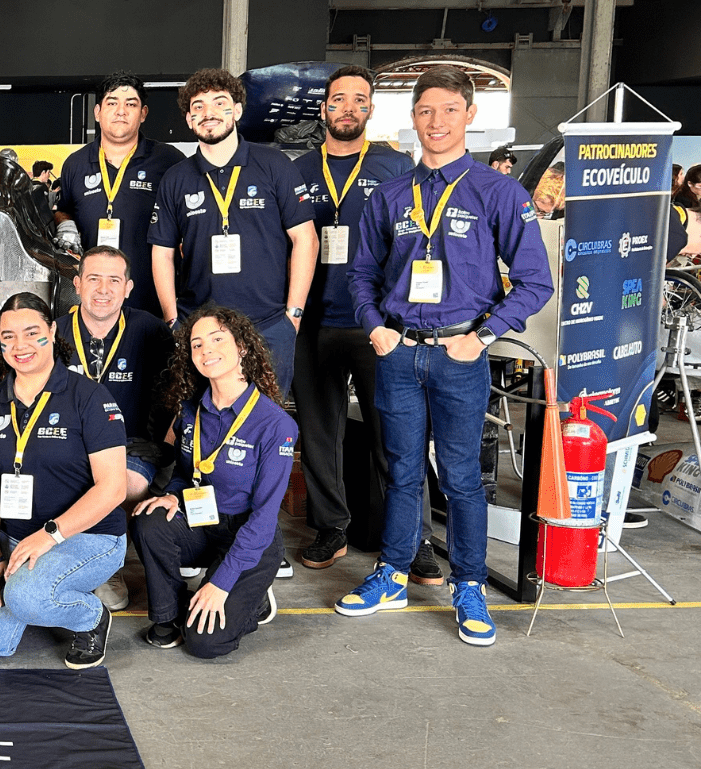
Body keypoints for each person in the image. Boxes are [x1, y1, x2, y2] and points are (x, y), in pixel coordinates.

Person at [342, 66, 552, 646]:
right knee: (401, 472)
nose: (437, 122)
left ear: (469, 116)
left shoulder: (499, 192)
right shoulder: (388, 196)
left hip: (462, 355)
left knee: (461, 478)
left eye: (449, 111)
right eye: (426, 111)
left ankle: (468, 585)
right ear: (412, 118)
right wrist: (375, 328)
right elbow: (361, 274)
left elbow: (536, 282)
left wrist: (483, 337)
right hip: (399, 354)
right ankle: (391, 572)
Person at [290, 66, 444, 582]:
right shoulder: (298, 170)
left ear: (371, 109)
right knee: (319, 435)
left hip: (379, 324)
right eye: (338, 100)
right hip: (312, 321)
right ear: (323, 110)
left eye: (359, 100)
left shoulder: (396, 166)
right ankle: (332, 525)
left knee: (396, 435)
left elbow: (419, 240)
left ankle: (415, 538)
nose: (348, 109)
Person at [0, 293, 128, 670]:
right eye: (8, 336)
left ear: (53, 332)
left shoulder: (88, 396)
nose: (19, 345)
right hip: (16, 540)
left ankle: (90, 617)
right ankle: (37, 589)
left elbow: (113, 488)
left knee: (27, 598)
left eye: (32, 332)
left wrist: (50, 535)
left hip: (88, 537)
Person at [132, 306, 295, 657]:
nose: (206, 350)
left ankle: (252, 600)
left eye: (218, 339)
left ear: (243, 348)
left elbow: (265, 518)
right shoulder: (191, 411)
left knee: (206, 643)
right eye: (197, 344)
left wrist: (221, 584)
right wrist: (174, 496)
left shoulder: (274, 424)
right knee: (150, 519)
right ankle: (168, 616)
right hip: (201, 520)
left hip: (251, 536)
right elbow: (183, 472)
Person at [149, 68, 318, 395]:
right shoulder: (176, 178)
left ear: (237, 111)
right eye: (197, 106)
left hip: (268, 326)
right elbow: (162, 252)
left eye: (219, 103)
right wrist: (173, 321)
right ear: (188, 120)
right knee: (201, 427)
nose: (208, 113)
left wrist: (293, 316)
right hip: (200, 330)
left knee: (263, 427)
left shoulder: (274, 165)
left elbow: (305, 239)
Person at [54, 245, 174, 608]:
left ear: (128, 287)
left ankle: (106, 565)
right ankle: (68, 560)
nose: (103, 289)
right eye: (93, 279)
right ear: (77, 284)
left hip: (130, 445)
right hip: (68, 444)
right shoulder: (54, 331)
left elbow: (179, 390)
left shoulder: (151, 330)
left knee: (124, 484)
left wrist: (167, 443)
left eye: (113, 280)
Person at [57, 72, 187, 317]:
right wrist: (65, 224)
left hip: (152, 301)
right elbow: (64, 209)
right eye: (112, 102)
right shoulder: (75, 164)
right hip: (96, 301)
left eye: (131, 104)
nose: (121, 111)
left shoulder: (169, 161)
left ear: (143, 113)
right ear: (97, 112)